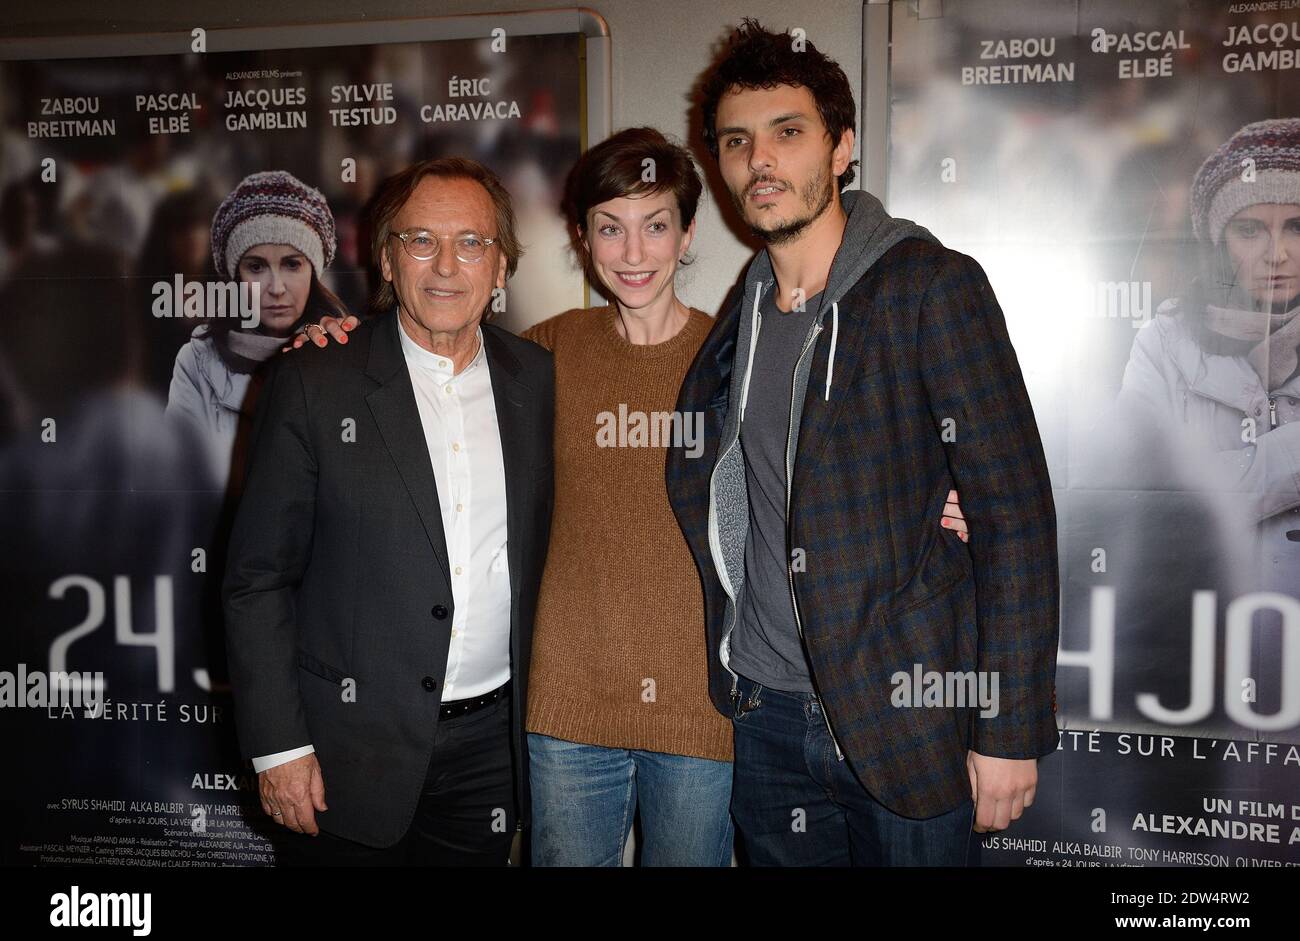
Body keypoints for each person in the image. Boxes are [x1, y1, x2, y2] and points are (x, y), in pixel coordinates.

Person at [295, 130, 972, 867]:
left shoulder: (737, 356)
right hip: (566, 709)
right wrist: (347, 336)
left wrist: (933, 499)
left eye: (656, 226)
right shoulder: (540, 355)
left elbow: (822, 469)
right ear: (584, 242)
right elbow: (430, 360)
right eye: (610, 229)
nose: (634, 252)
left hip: (701, 710)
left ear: (686, 238)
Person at [665, 19, 1059, 866]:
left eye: (788, 133)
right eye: (738, 142)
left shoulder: (928, 287)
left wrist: (1011, 727)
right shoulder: (746, 310)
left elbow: (1014, 516)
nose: (760, 161)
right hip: (765, 714)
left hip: (905, 716)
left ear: (842, 148)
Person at [222, 157, 554, 865]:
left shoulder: (537, 380)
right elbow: (256, 579)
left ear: (501, 269)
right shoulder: (315, 381)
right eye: (420, 241)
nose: (445, 265)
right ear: (387, 260)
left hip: (491, 755)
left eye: (472, 243)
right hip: (344, 753)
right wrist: (280, 746)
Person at [1114, 117, 1300, 719]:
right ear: (1219, 241)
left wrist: (1216, 476)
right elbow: (1143, 499)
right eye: (1251, 229)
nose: (1278, 252)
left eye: (1297, 225)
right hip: (1193, 655)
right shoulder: (1165, 341)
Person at [164, 170, 348, 489]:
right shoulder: (196, 361)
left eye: (292, 264)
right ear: (235, 277)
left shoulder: (344, 349)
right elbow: (178, 484)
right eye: (256, 266)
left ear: (314, 273)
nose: (276, 288)